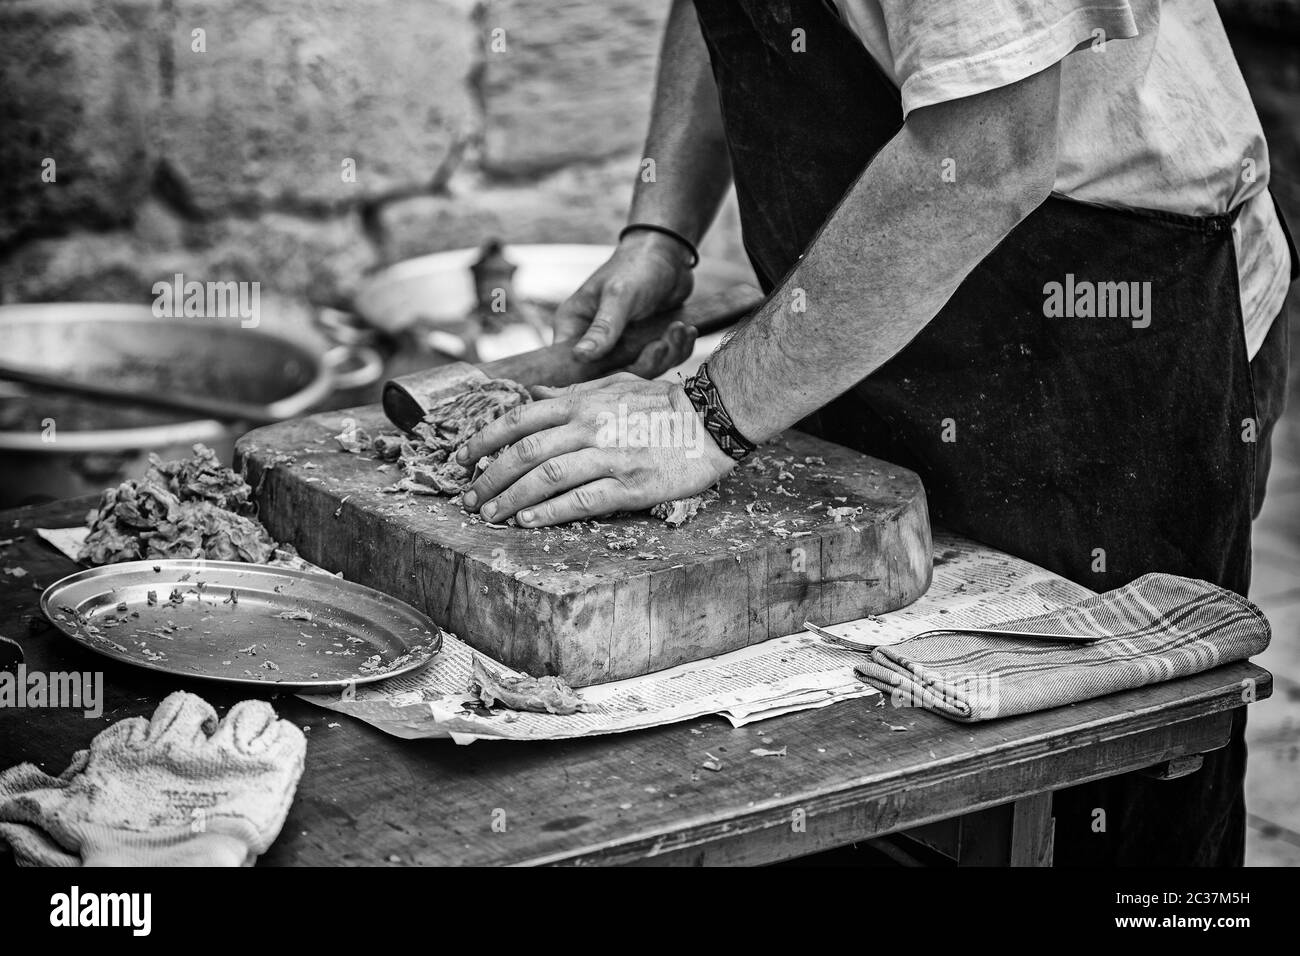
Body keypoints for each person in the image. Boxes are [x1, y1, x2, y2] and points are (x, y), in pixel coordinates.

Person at [455, 0, 1297, 864]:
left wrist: (701, 414)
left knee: (1096, 802)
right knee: (864, 778)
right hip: (878, 322)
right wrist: (660, 228)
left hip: (1100, 329)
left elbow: (988, 153)